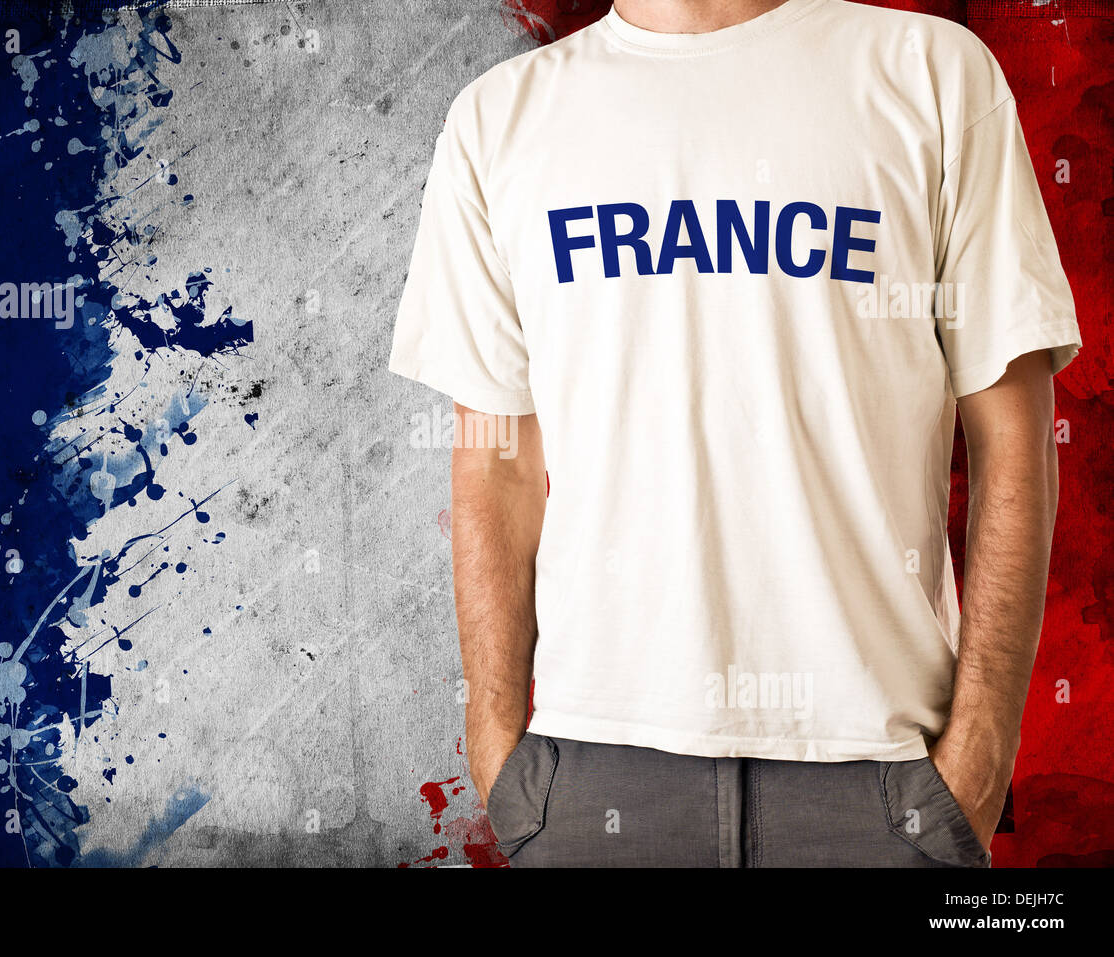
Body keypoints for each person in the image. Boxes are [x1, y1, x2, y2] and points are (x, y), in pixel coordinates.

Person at [389, 0, 1081, 867]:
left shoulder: (931, 73)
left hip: (879, 776)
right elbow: (498, 465)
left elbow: (1011, 432)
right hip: (593, 773)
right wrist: (500, 755)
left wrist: (975, 764)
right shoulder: (499, 118)